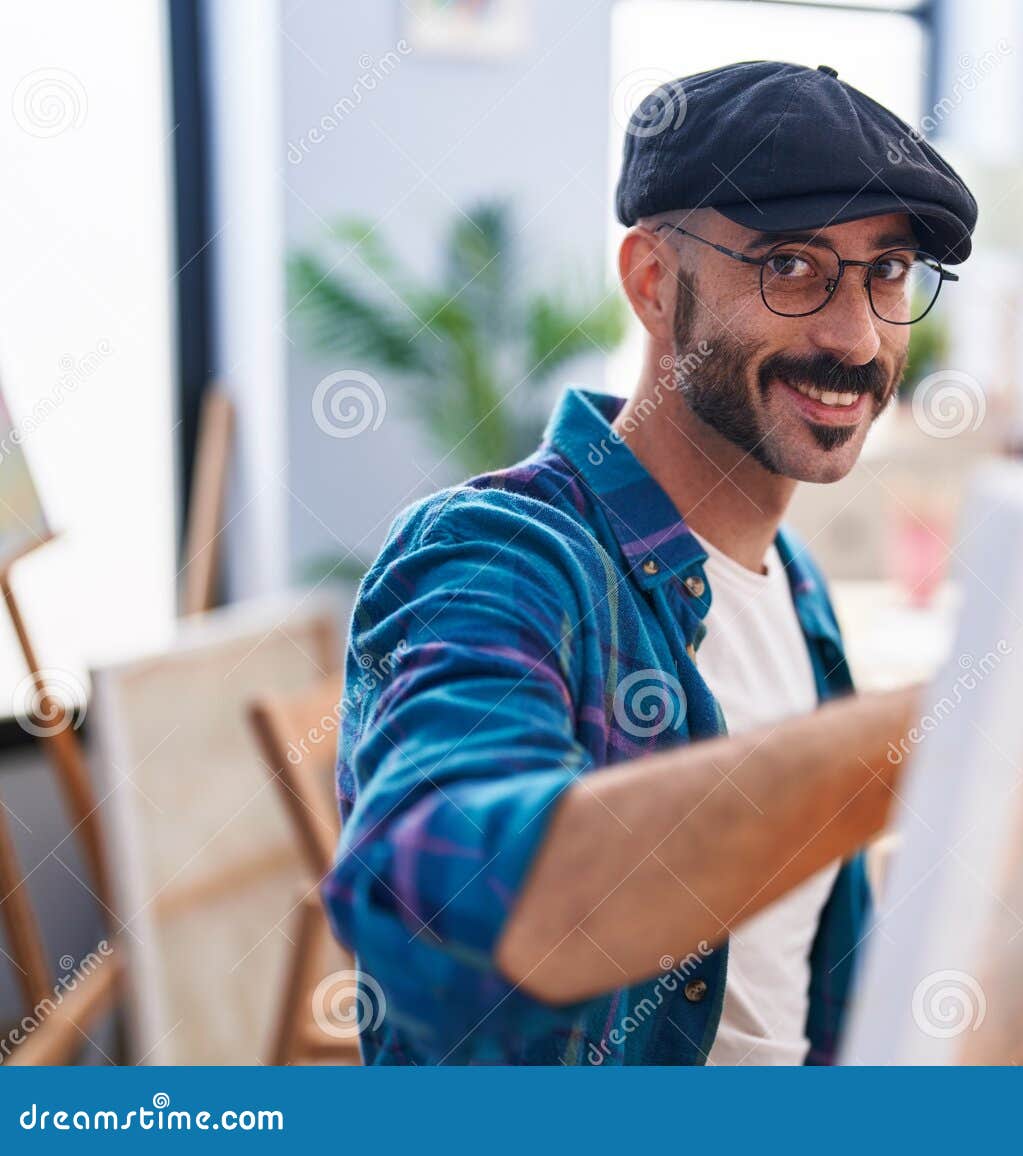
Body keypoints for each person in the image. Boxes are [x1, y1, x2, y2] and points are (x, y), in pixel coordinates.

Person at [325, 60, 979, 1065]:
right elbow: (448, 909)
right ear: (650, 281)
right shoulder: (496, 556)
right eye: (793, 266)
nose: (855, 338)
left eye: (886, 272)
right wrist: (946, 725)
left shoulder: (793, 583)